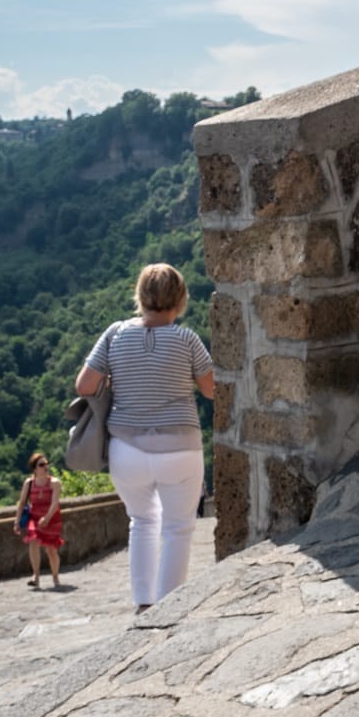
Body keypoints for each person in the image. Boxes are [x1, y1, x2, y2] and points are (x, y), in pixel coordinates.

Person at [76, 263, 214, 614]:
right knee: (178, 528)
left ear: (139, 296)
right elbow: (212, 390)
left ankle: (143, 602)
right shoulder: (186, 339)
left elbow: (84, 386)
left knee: (142, 521)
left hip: (127, 448)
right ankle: (170, 607)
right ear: (180, 299)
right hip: (180, 447)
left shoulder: (115, 334)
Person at [13, 452, 65, 590]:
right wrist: (17, 521)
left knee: (51, 550)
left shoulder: (55, 483)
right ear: (34, 468)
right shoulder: (29, 483)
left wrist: (47, 518)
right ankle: (35, 576)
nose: (45, 466)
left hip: (52, 519)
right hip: (34, 518)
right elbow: (22, 502)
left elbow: (55, 503)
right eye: (42, 464)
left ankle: (55, 576)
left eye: (47, 464)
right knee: (33, 542)